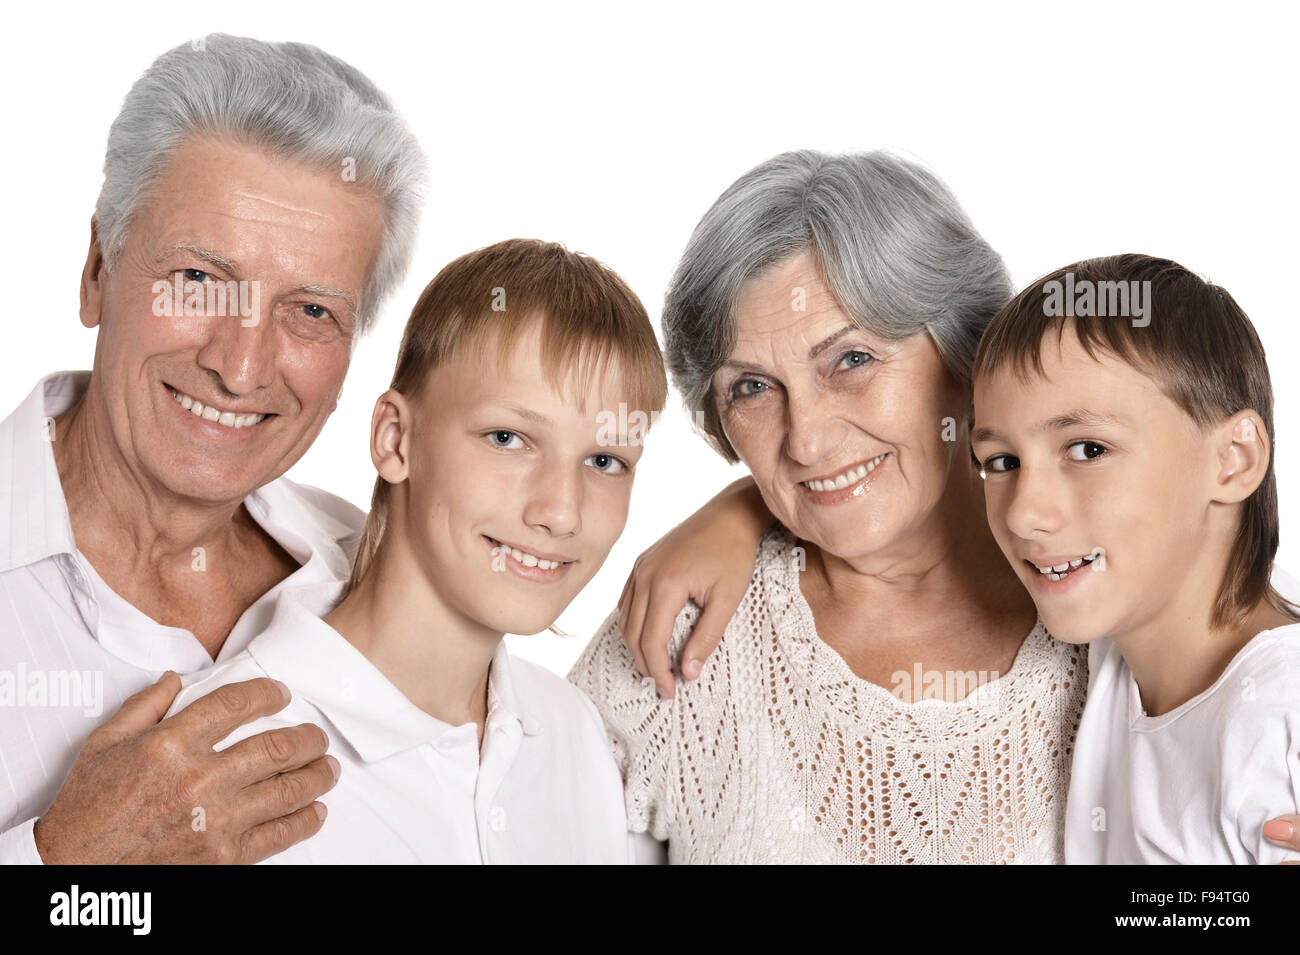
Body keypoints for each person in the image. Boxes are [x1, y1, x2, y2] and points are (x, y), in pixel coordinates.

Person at [569, 149, 1300, 863]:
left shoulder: (1109, 611)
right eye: (752, 389)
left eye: (852, 359)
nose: (810, 440)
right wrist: (737, 510)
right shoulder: (675, 640)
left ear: (965, 356)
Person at [0, 34, 427, 864]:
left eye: (310, 311)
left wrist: (740, 518)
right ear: (97, 269)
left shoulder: (382, 576)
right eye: (198, 279)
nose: (238, 366)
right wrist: (65, 866)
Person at [167, 239, 667, 863]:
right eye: (508, 438)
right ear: (395, 439)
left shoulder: (575, 732)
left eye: (604, 460)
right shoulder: (222, 763)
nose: (561, 512)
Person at [969, 253, 1300, 863]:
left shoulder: (1277, 729)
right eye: (1001, 462)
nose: (1022, 513)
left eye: (1088, 449)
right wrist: (742, 511)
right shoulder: (1122, 636)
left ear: (1234, 459)